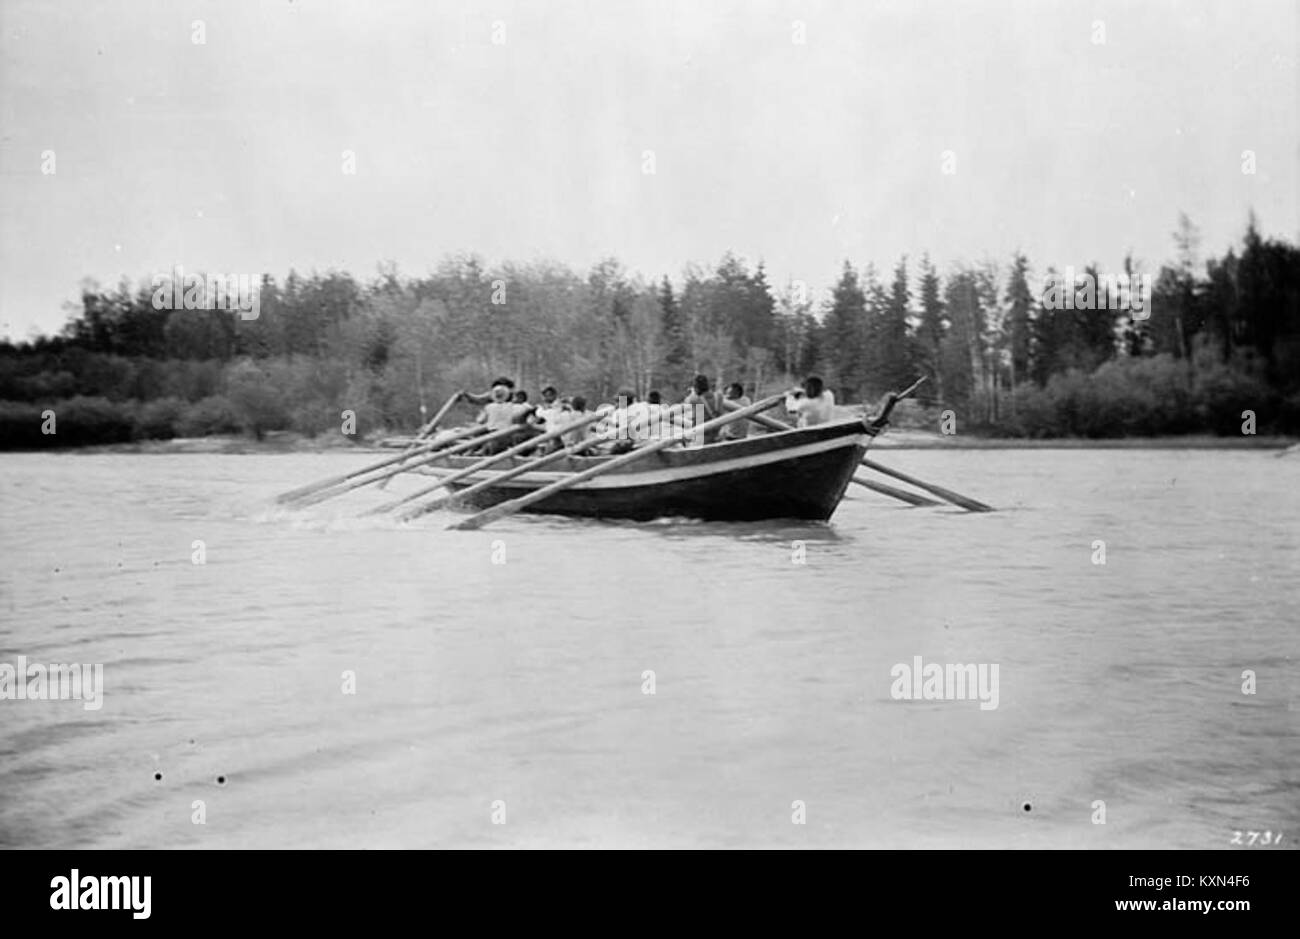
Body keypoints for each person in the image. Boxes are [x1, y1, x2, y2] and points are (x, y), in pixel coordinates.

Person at [684, 374, 725, 444]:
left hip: (704, 437)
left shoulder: (694, 399)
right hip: (718, 435)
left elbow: (694, 419)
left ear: (696, 387)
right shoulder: (719, 396)